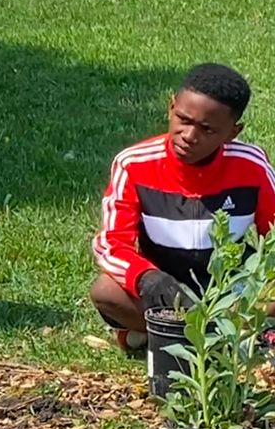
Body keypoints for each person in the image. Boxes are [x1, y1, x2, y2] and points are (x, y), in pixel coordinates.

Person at [91, 63, 272, 351]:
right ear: (170, 107)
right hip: (166, 288)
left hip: (231, 287)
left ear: (232, 133)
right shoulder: (134, 164)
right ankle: (216, 338)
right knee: (106, 291)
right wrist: (147, 278)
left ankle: (170, 336)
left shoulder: (251, 165)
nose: (189, 135)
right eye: (183, 119)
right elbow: (111, 244)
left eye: (207, 129)